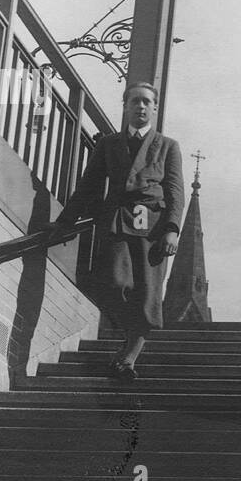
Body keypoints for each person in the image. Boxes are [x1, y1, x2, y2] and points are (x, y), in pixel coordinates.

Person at [56, 82, 183, 380]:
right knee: (112, 283)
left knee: (146, 293)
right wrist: (64, 222)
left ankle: (128, 357)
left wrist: (172, 230)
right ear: (125, 107)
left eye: (146, 102)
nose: (140, 106)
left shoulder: (168, 146)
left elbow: (175, 192)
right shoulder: (109, 144)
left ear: (154, 108)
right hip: (115, 221)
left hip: (151, 230)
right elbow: (88, 185)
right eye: (134, 101)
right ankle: (130, 337)